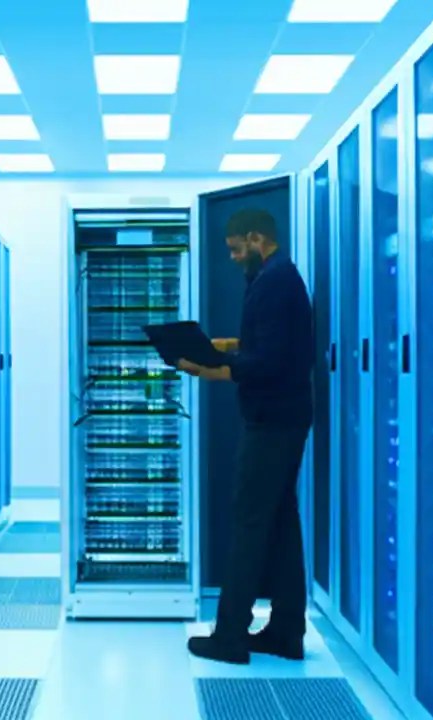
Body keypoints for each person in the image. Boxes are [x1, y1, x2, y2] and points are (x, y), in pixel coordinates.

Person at [177, 207, 314, 665]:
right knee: (280, 523)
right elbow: (274, 346)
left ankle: (230, 637)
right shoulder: (280, 276)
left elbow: (270, 362)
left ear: (257, 238)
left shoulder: (275, 282)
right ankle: (286, 632)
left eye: (236, 250)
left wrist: (210, 370)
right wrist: (228, 345)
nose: (234, 259)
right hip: (287, 417)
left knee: (250, 522)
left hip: (272, 421)